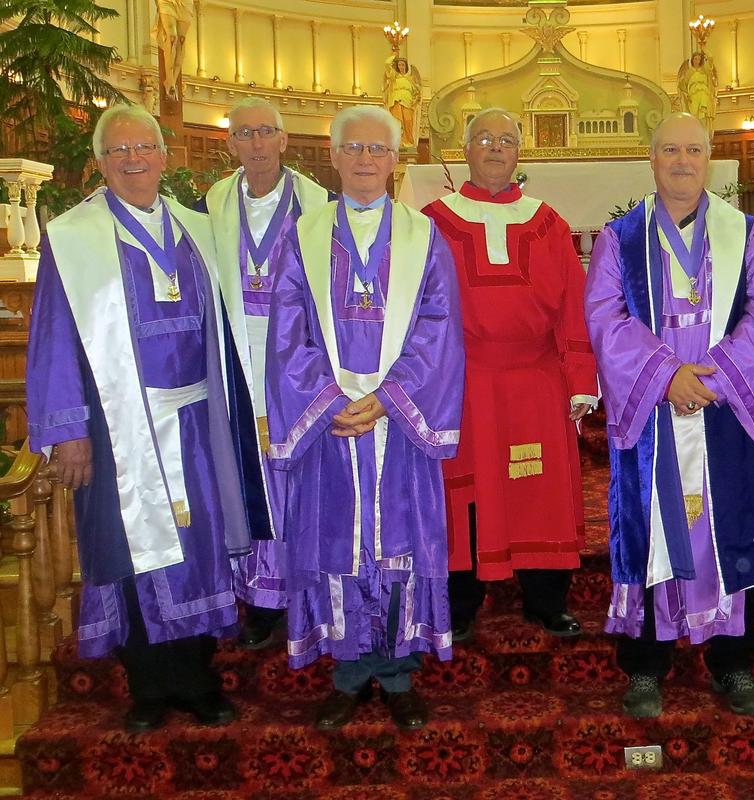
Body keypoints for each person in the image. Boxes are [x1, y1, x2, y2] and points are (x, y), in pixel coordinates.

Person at [26, 104, 250, 731]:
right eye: (119, 150)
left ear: (163, 156)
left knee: (199, 551)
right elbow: (53, 337)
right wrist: (68, 431)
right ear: (100, 162)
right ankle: (149, 687)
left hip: (196, 424)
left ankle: (199, 679)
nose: (133, 160)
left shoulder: (194, 229)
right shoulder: (73, 239)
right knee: (136, 551)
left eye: (143, 148)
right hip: (119, 429)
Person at [266, 105, 464, 730]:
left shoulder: (423, 237)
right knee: (338, 544)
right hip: (331, 426)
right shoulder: (302, 236)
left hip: (399, 423)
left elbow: (440, 327)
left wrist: (389, 398)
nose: (364, 160)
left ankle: (400, 674)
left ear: (394, 158)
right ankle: (349, 673)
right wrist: (328, 403)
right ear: (334, 155)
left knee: (400, 544)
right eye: (353, 148)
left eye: (377, 149)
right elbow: (286, 332)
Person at [584, 112, 754, 718]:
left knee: (734, 524)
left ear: (709, 159)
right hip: (652, 410)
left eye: (693, 150)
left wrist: (716, 378)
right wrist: (667, 376)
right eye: (669, 149)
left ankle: (733, 661)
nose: (681, 160)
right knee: (648, 531)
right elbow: (604, 317)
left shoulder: (746, 233)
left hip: (725, 407)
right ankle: (646, 665)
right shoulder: (618, 238)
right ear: (651, 159)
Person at [423, 108, 597, 642]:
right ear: (466, 150)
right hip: (464, 383)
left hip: (535, 382)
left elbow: (573, 305)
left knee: (537, 488)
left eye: (505, 140)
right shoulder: (433, 220)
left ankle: (545, 599)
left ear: (520, 153)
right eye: (483, 139)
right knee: (466, 492)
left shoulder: (547, 223)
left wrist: (580, 379)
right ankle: (460, 601)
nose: (495, 148)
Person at [199, 96, 333, 650]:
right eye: (244, 134)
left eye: (266, 133)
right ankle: (261, 592)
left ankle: (306, 582)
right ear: (230, 144)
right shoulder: (215, 199)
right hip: (237, 351)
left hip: (296, 353)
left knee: (296, 460)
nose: (255, 144)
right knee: (248, 462)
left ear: (284, 140)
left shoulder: (317, 199)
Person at [383, 56, 421, 149]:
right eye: (399, 64)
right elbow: (387, 64)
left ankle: (408, 142)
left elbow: (417, 92)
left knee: (408, 121)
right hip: (396, 101)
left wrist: (415, 100)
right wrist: (394, 56)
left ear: (406, 66)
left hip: (408, 102)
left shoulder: (410, 79)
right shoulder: (394, 77)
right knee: (396, 122)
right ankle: (397, 141)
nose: (401, 66)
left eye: (403, 64)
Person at [676, 52, 717, 133]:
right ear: (692, 60)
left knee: (703, 113)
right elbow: (682, 85)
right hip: (693, 95)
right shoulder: (689, 72)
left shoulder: (705, 71)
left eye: (699, 59)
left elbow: (711, 58)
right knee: (694, 114)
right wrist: (685, 94)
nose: (697, 61)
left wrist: (704, 48)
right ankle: (694, 130)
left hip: (704, 93)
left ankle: (702, 132)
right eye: (695, 59)